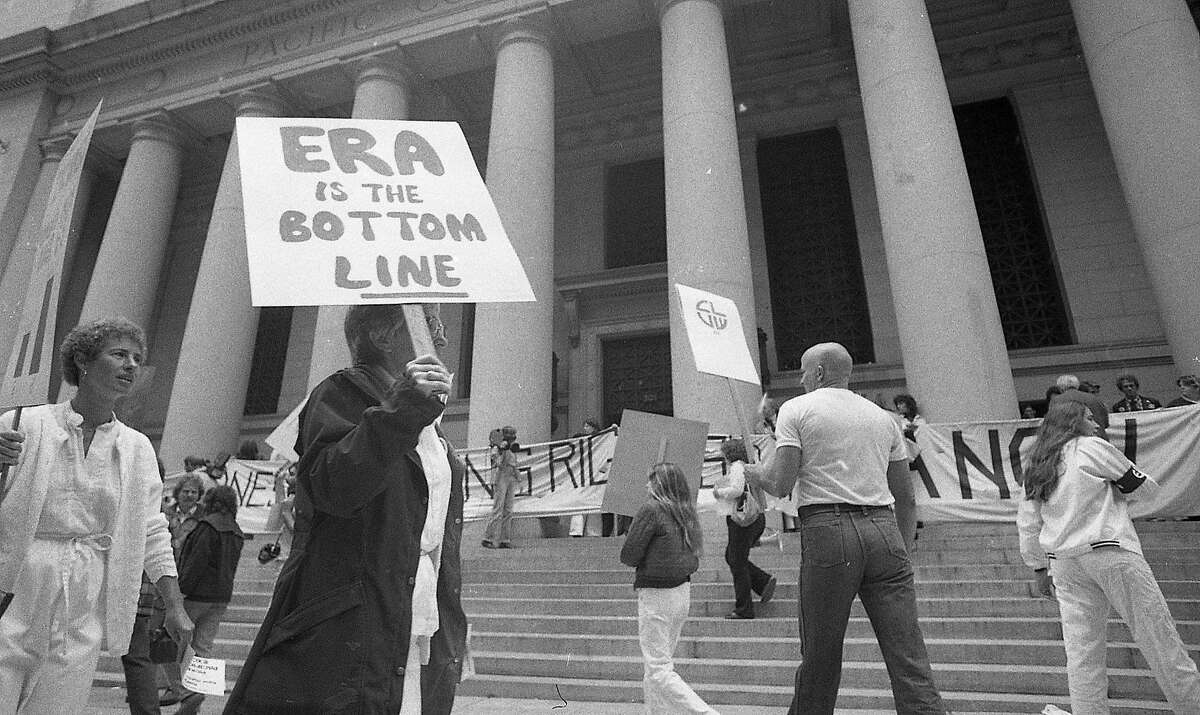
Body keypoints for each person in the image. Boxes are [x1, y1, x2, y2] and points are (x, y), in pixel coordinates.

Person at [226, 304, 466, 714]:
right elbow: (334, 486)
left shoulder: (425, 418)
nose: (441, 338)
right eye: (430, 323)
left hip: (416, 619)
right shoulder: (342, 393)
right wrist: (403, 409)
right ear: (386, 336)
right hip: (357, 625)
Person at [0, 317, 192, 712]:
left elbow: (152, 530)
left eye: (137, 358)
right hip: (18, 580)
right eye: (119, 354)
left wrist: (174, 605)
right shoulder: (24, 425)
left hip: (86, 591)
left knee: (59, 704)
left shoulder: (137, 449)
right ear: (84, 360)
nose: (131, 365)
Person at [746, 342, 945, 715]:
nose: (802, 379)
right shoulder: (883, 417)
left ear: (819, 373)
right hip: (885, 529)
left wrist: (755, 473)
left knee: (821, 654)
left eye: (805, 372)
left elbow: (782, 482)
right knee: (908, 654)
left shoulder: (796, 409)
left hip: (828, 528)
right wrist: (902, 550)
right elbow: (906, 497)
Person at [1016, 400, 1200, 714]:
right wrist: (1117, 490)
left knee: (1082, 653)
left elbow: (1028, 522)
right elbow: (1145, 488)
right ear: (1074, 423)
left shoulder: (1037, 463)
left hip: (1064, 562)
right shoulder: (1090, 447)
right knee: (1159, 639)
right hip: (1109, 550)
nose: (1097, 424)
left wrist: (1037, 566)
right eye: (1089, 418)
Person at [619, 463, 718, 715]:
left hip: (657, 593)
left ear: (659, 485)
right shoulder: (686, 511)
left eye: (650, 481)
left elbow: (629, 555)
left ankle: (706, 713)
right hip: (681, 591)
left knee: (658, 669)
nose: (646, 486)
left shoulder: (652, 509)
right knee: (656, 669)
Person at [174, 485, 246, 714]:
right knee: (203, 646)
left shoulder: (207, 526)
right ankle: (196, 693)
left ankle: (185, 692)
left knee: (177, 640)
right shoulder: (236, 531)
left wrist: (181, 589)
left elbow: (196, 562)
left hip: (197, 594)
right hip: (221, 597)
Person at [712, 438, 776, 620]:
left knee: (737, 563)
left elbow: (737, 490)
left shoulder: (737, 468)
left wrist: (719, 492)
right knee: (732, 557)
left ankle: (744, 608)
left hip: (742, 521)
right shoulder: (747, 467)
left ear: (729, 454)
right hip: (753, 519)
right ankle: (762, 582)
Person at [481, 426, 520, 549]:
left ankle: (505, 539)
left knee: (508, 510)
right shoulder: (498, 447)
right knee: (498, 508)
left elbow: (514, 463)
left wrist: (518, 477)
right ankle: (488, 537)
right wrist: (500, 450)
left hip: (510, 476)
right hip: (501, 476)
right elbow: (495, 459)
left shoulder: (512, 448)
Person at [1051, 374, 1109, 439]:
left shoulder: (1057, 400)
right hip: (1100, 438)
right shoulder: (1094, 398)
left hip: (1074, 441)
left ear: (1060, 388)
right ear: (1077, 385)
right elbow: (1105, 423)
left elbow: (1054, 424)